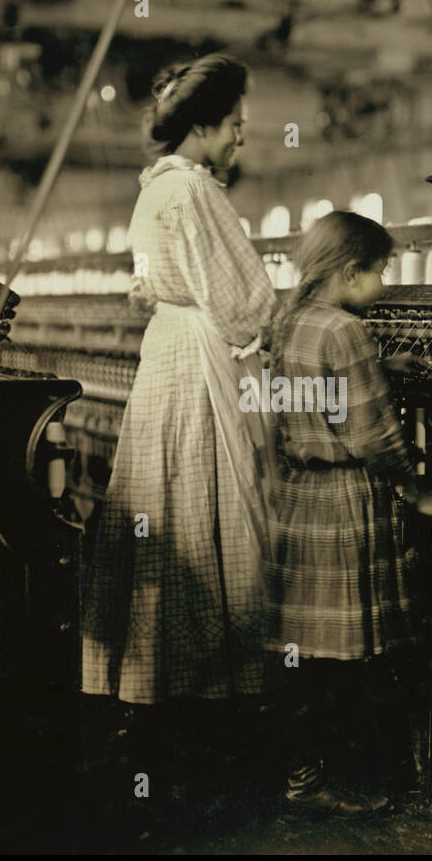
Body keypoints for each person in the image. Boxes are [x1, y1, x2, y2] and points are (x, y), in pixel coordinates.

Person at [82, 53, 277, 732]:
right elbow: (242, 296)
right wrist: (267, 335)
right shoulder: (195, 191)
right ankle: (216, 688)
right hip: (200, 356)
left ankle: (153, 678)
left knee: (164, 500)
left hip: (165, 352)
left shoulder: (153, 190)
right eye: (234, 125)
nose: (241, 138)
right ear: (202, 125)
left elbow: (152, 282)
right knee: (214, 505)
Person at [265, 210, 432, 818]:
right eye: (381, 271)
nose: (385, 283)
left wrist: (380, 369)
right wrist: (416, 491)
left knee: (308, 650)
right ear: (350, 272)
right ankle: (358, 779)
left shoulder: (289, 321)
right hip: (347, 503)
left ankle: (303, 777)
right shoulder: (346, 331)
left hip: (299, 501)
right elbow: (374, 437)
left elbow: (314, 394)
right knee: (359, 653)